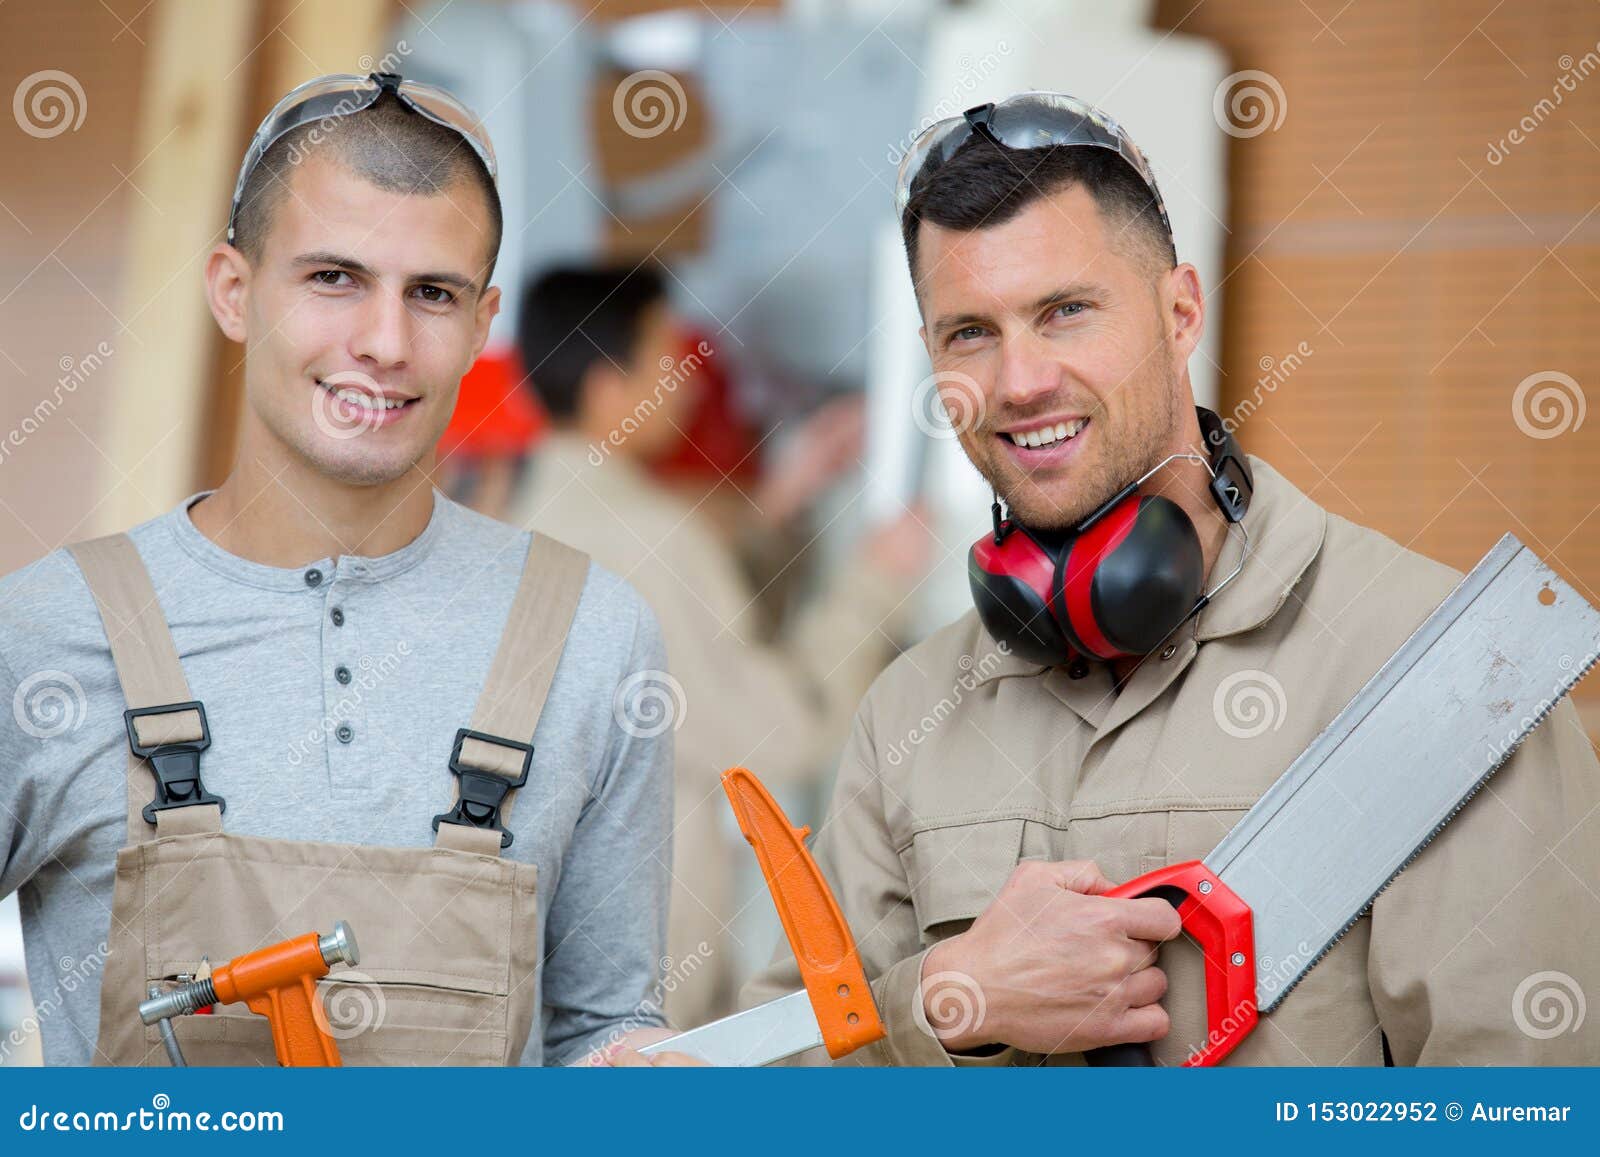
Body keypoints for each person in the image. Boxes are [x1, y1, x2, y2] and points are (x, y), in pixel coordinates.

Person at [712, 93, 1600, 1067]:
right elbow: (784, 1085)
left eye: (1065, 311)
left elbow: (1524, 1109)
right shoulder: (907, 713)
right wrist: (948, 1002)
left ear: (1181, 312)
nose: (1018, 381)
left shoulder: (1449, 672)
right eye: (969, 332)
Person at [0, 73, 676, 1066]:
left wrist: (646, 1071)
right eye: (333, 279)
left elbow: (604, 1024)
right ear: (234, 293)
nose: (384, 343)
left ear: (482, 322)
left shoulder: (592, 633)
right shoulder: (47, 632)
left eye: (433, 294)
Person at [506, 263, 931, 1026]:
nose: (691, 383)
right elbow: (782, 729)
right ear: (610, 389)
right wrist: (876, 582)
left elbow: (691, 604)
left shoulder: (521, 520)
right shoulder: (650, 540)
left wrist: (786, 496)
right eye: (670, 358)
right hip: (639, 984)